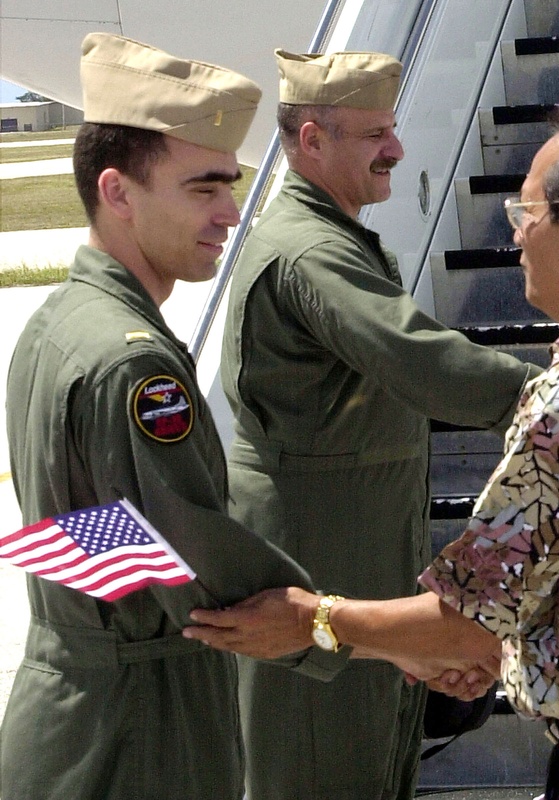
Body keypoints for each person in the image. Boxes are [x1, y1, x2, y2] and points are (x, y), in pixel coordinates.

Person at [188, 92, 559, 800]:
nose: (516, 236)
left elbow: (465, 624)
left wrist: (311, 621)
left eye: (529, 213)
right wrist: (497, 647)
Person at [1, 33, 338, 800]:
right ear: (118, 192)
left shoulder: (61, 319)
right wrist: (340, 631)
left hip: (74, 712)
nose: (230, 211)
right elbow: (199, 568)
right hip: (141, 732)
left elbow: (115, 532)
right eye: (203, 189)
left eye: (231, 185)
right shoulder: (134, 365)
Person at [219, 49, 539, 800]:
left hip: (352, 557)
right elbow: (421, 360)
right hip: (318, 562)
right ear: (311, 143)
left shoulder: (335, 238)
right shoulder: (310, 252)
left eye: (391, 130)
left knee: (371, 762)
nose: (396, 149)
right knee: (323, 769)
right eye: (373, 136)